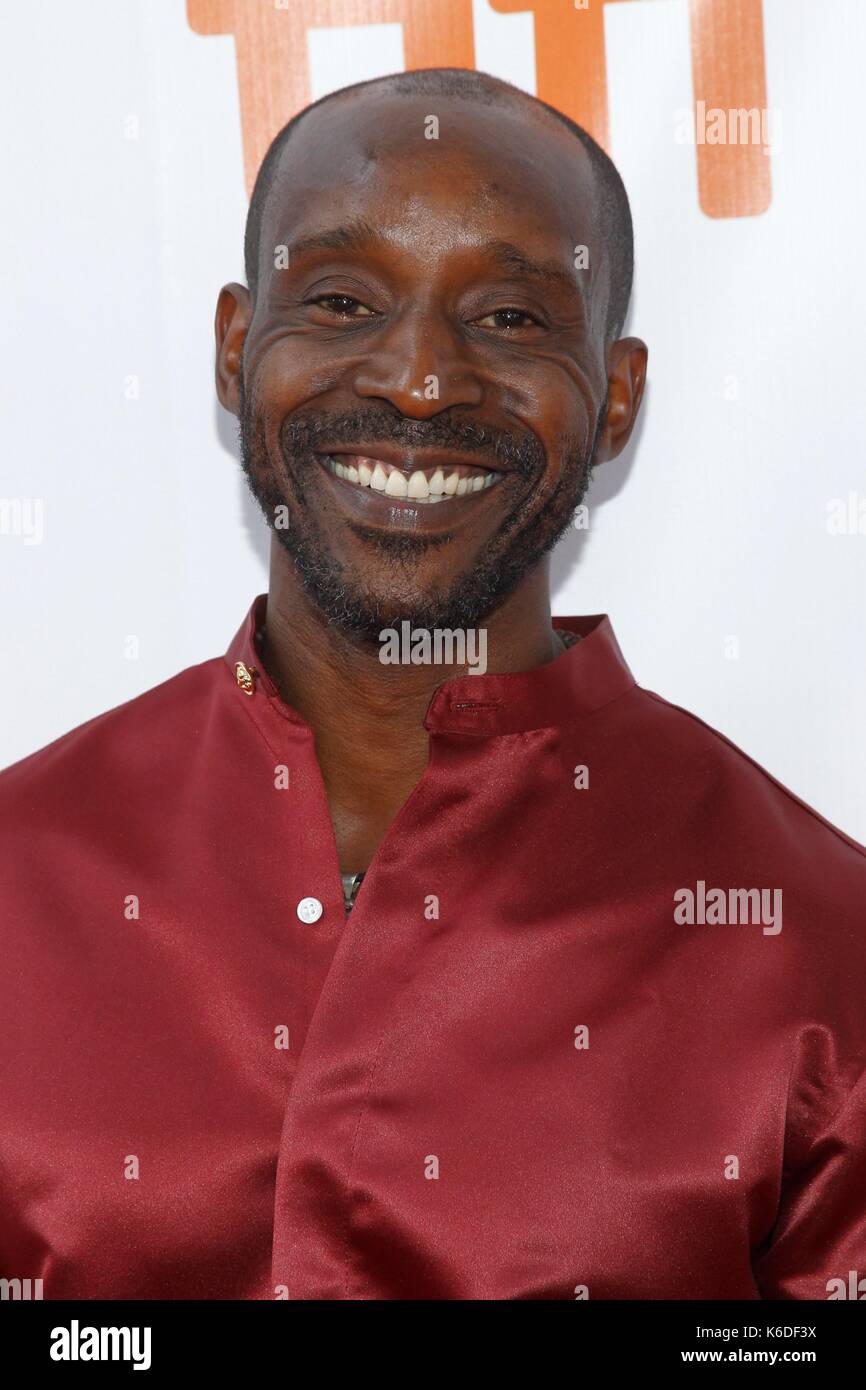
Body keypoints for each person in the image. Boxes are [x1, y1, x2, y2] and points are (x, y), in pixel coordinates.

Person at [1, 68, 863, 1302]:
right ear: (237, 346)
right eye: (342, 301)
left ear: (614, 396)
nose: (416, 380)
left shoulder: (817, 949)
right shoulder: (20, 869)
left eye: (510, 319)